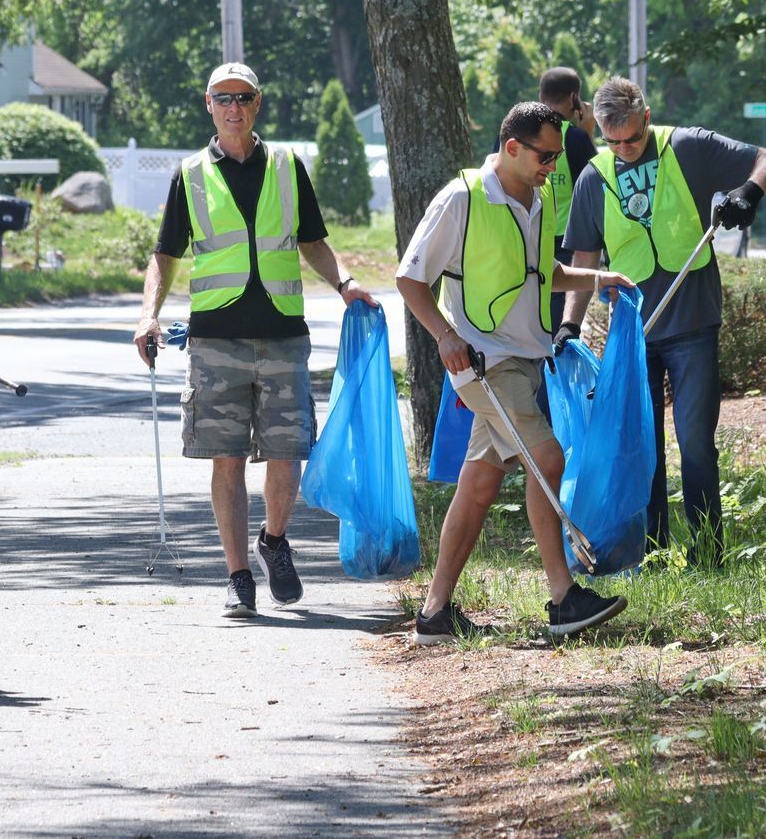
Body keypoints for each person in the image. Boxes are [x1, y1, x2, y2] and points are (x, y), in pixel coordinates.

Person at [133, 62, 376, 618]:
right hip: (216, 339)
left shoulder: (289, 167)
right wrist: (149, 316)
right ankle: (238, 574)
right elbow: (165, 255)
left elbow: (314, 242)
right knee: (228, 458)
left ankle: (275, 539)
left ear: (258, 103)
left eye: (243, 98)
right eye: (223, 99)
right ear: (209, 105)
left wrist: (345, 283)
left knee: (287, 456)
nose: (234, 108)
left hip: (282, 335)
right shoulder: (190, 175)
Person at [397, 101, 635, 643]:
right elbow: (410, 280)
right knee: (546, 459)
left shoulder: (542, 196)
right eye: (545, 155)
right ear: (511, 148)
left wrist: (599, 280)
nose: (553, 165)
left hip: (529, 359)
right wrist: (445, 335)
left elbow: (543, 273)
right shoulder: (461, 198)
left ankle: (434, 614)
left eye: (556, 156)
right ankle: (563, 597)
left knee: (478, 485)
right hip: (485, 363)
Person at [559, 77, 766, 567]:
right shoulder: (594, 177)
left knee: (697, 445)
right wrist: (569, 326)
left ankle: (707, 555)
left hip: (693, 322)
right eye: (610, 139)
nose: (622, 148)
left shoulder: (687, 146)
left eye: (631, 138)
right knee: (645, 449)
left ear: (645, 114)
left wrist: (748, 192)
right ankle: (654, 552)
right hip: (632, 334)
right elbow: (584, 254)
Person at [536, 68, 598, 330]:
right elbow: (596, 181)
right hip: (566, 243)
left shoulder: (518, 132)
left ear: (540, 96)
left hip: (527, 236)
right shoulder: (575, 138)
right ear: (574, 99)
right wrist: (587, 133)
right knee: (557, 325)